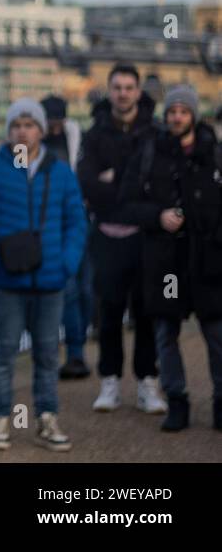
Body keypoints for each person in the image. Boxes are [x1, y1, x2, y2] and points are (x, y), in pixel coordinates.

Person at [0, 100, 88, 451]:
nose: (22, 131)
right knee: (4, 352)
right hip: (8, 280)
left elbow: (76, 222)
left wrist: (67, 263)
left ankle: (47, 418)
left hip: (50, 279)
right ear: (9, 132)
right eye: (16, 125)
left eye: (29, 124)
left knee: (47, 354)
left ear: (42, 130)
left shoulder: (61, 172)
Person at [115, 83, 222, 432]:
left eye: (183, 111)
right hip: (167, 263)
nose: (177, 117)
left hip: (208, 259)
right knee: (166, 334)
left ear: (194, 115)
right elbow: (126, 203)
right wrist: (157, 216)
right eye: (172, 111)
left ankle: (221, 402)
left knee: (217, 335)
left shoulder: (214, 153)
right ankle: (177, 401)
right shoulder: (149, 152)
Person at [76, 63, 166, 414]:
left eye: (129, 87)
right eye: (117, 87)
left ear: (138, 92)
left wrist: (110, 183)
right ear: (109, 91)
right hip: (107, 237)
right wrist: (121, 190)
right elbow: (86, 183)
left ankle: (147, 382)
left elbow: (156, 186)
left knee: (146, 312)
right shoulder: (94, 133)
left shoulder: (154, 133)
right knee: (109, 312)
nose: (123, 93)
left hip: (145, 238)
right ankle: (109, 381)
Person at [42, 94, 94, 380]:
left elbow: (90, 172)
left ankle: (79, 342)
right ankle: (75, 352)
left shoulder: (79, 139)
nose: (54, 128)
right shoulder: (32, 145)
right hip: (53, 224)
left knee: (87, 289)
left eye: (58, 121)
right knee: (71, 289)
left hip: (83, 219)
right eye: (50, 122)